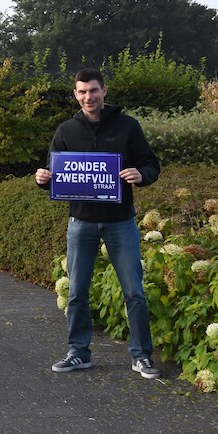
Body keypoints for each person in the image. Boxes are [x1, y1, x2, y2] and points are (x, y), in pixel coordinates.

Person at [35, 68, 161, 379]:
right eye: (82, 92)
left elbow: (151, 164)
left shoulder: (127, 126)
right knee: (77, 291)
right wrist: (42, 179)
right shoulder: (66, 130)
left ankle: (141, 356)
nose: (88, 97)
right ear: (75, 95)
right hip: (82, 223)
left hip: (121, 222)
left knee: (134, 291)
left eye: (93, 90)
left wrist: (141, 175)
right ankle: (78, 352)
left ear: (104, 91)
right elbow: (55, 173)